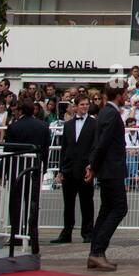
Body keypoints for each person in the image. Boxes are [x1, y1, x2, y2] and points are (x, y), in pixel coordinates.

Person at [86, 79, 130, 271]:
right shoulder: (111, 114)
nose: (127, 96)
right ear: (119, 95)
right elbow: (102, 143)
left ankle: (94, 252)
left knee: (106, 210)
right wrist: (93, 166)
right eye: (125, 93)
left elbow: (99, 142)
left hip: (107, 169)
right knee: (119, 208)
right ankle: (97, 251)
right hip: (112, 169)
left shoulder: (105, 112)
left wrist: (93, 165)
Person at [5, 98, 50, 254]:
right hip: (35, 169)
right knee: (33, 202)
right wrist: (43, 168)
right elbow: (46, 150)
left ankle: (16, 234)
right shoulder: (43, 126)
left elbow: (8, 152)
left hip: (17, 169)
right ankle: (32, 233)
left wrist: (4, 172)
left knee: (16, 203)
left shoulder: (14, 127)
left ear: (21, 110)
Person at [51, 92, 96, 245]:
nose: (85, 107)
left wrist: (92, 165)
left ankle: (88, 232)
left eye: (86, 104)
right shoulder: (68, 125)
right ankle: (66, 232)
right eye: (82, 104)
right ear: (76, 106)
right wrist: (61, 169)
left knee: (87, 203)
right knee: (68, 204)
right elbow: (64, 148)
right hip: (69, 169)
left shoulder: (93, 123)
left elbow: (95, 147)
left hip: (85, 169)